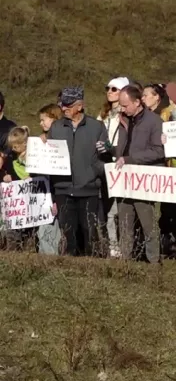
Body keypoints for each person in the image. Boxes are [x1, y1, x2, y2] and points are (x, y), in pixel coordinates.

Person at [48, 86, 110, 257]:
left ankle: (90, 264)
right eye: (62, 104)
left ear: (80, 106)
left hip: (88, 189)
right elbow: (48, 156)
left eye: (68, 105)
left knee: (90, 232)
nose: (63, 108)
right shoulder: (56, 127)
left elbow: (105, 155)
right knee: (68, 232)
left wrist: (96, 169)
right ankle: (68, 264)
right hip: (63, 189)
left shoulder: (96, 126)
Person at [114, 84, 165, 264]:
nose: (122, 109)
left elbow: (159, 151)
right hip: (123, 178)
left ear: (137, 102)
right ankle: (125, 260)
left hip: (143, 179)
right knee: (124, 221)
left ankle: (154, 261)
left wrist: (130, 159)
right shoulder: (124, 120)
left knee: (148, 222)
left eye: (125, 105)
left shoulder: (154, 121)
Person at [98, 77, 129, 258]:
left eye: (114, 89)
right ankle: (113, 246)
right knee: (109, 210)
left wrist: (112, 148)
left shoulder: (127, 115)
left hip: (122, 165)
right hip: (105, 165)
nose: (109, 91)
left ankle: (127, 245)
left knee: (121, 210)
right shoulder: (103, 114)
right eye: (108, 88)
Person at [36, 104, 63, 255]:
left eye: (43, 120)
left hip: (58, 190)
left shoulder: (62, 141)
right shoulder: (40, 140)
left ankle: (52, 260)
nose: (41, 123)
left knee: (53, 232)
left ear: (54, 119)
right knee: (44, 232)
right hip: (44, 193)